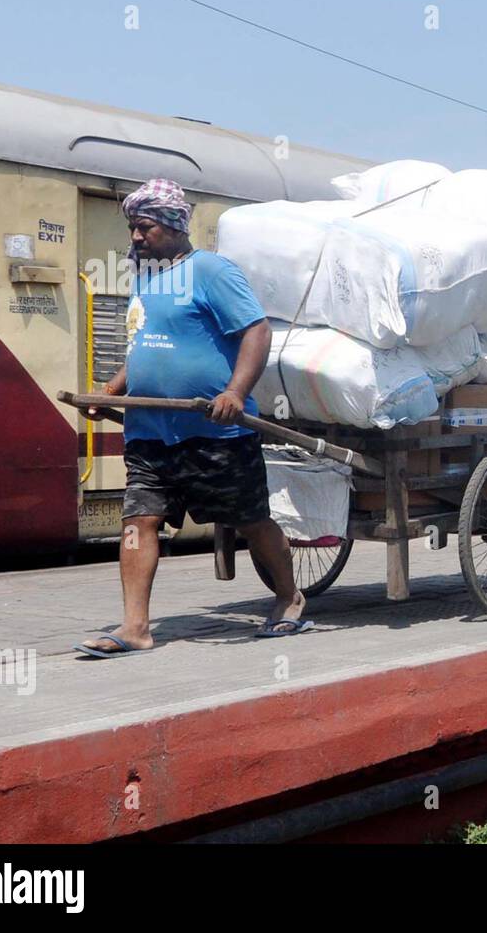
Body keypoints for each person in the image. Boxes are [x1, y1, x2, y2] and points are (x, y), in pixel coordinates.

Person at [75, 179, 308, 657]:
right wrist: (110, 392)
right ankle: (135, 627)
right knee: (139, 520)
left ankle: (288, 597)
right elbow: (143, 346)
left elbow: (255, 332)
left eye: (145, 227)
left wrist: (235, 392)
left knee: (251, 519)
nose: (136, 238)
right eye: (133, 229)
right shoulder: (142, 276)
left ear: (175, 225)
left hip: (216, 430)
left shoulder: (211, 271)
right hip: (150, 431)